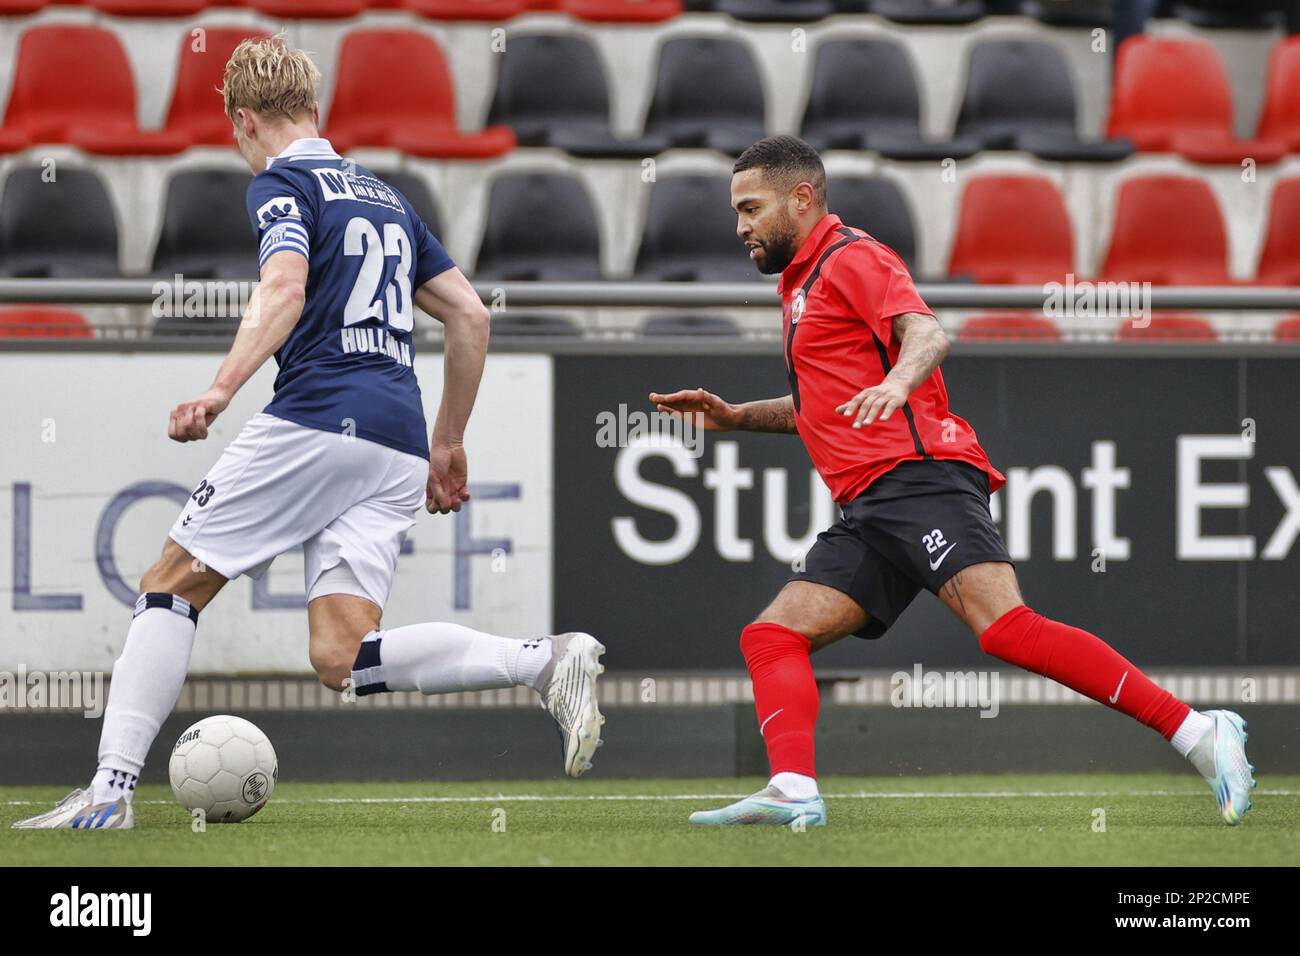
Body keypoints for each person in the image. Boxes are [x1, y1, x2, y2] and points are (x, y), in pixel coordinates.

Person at [15, 36, 604, 830]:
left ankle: (110, 793)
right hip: (395, 437)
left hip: (319, 414)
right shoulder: (387, 197)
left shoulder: (282, 185)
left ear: (245, 120)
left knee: (170, 582)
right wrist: (447, 439)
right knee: (341, 655)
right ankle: (541, 661)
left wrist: (222, 388)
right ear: (315, 108)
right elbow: (469, 313)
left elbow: (284, 286)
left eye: (235, 131)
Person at [649, 135, 1253, 828]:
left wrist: (900, 381)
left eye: (751, 208)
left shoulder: (854, 258)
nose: (740, 227)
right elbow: (829, 403)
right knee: (771, 637)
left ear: (802, 198)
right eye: (737, 212)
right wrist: (736, 417)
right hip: (868, 507)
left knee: (1007, 630)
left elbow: (927, 335)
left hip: (920, 480)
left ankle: (1200, 733)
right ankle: (793, 787)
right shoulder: (799, 284)